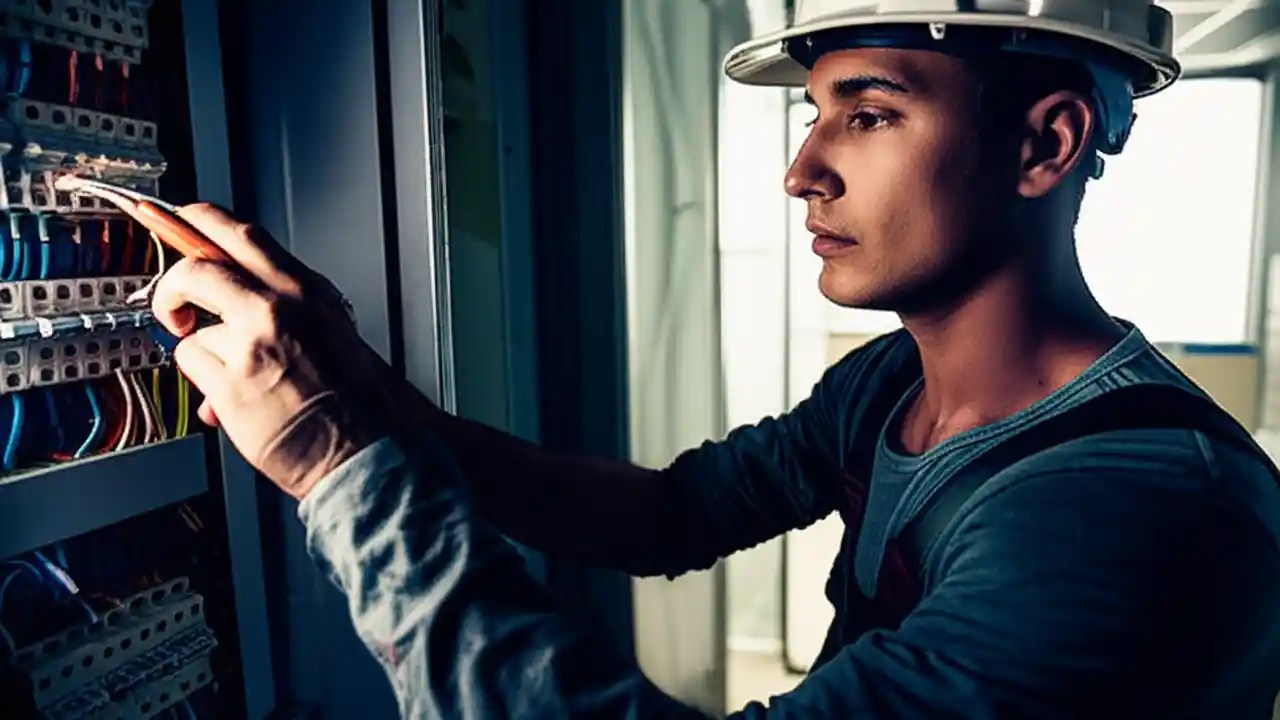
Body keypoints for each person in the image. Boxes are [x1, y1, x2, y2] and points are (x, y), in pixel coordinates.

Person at [150, 1, 1280, 717]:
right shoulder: (891, 383)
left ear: (1044, 142)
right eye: (814, 114)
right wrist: (370, 398)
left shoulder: (1122, 509)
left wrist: (340, 467)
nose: (803, 172)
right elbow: (670, 516)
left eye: (870, 115)